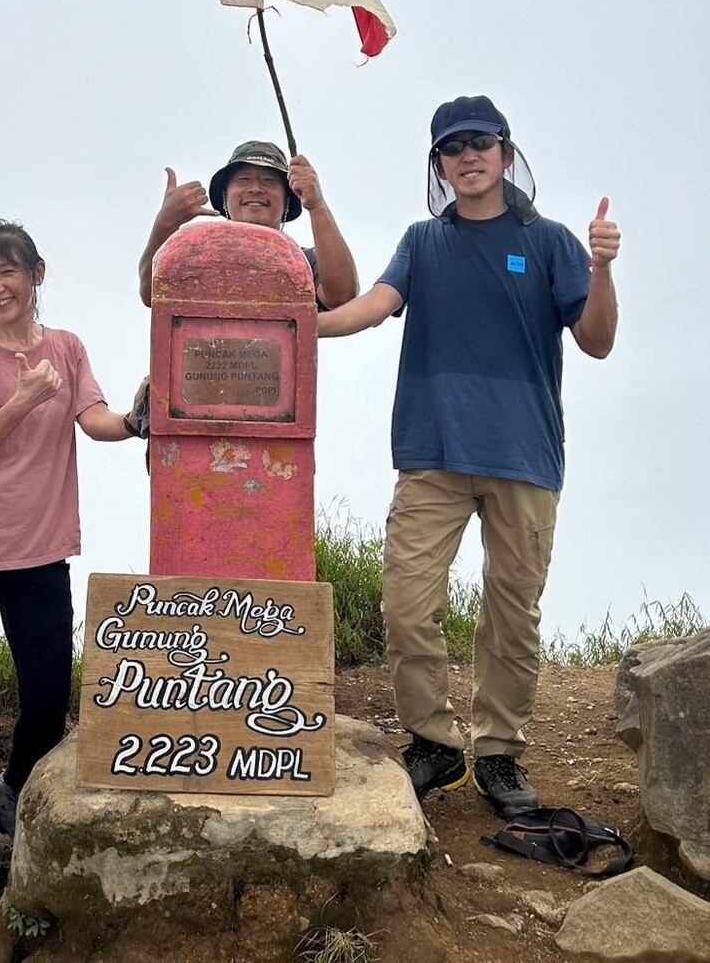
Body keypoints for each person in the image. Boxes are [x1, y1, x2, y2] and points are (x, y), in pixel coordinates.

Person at [316, 96, 620, 814]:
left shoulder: (549, 242)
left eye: (480, 142)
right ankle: (432, 743)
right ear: (439, 165)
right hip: (431, 452)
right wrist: (294, 326)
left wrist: (602, 266)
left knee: (511, 613)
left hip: (525, 455)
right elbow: (369, 305)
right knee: (404, 602)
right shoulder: (422, 242)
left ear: (505, 154)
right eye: (452, 148)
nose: (467, 156)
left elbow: (597, 339)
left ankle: (498, 752)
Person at [0, 220, 145, 898]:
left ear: (36, 273)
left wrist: (136, 420)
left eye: (6, 272)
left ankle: (10, 795)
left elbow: (95, 417)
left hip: (39, 548)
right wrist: (20, 400)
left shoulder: (66, 348)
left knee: (47, 692)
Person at [137, 141, 358, 308]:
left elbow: (342, 297)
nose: (256, 188)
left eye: (269, 181)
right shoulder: (195, 256)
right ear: (224, 197)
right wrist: (165, 223)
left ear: (288, 201)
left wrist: (317, 204)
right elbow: (152, 293)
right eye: (243, 179)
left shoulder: (302, 262)